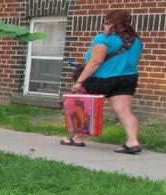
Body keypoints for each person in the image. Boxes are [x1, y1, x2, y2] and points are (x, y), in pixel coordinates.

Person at [60, 10, 144, 154]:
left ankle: (78, 138)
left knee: (85, 107)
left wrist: (79, 81)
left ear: (110, 23)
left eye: (106, 21)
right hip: (127, 78)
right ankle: (133, 141)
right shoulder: (136, 41)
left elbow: (95, 62)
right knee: (124, 111)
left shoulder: (103, 39)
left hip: (101, 78)